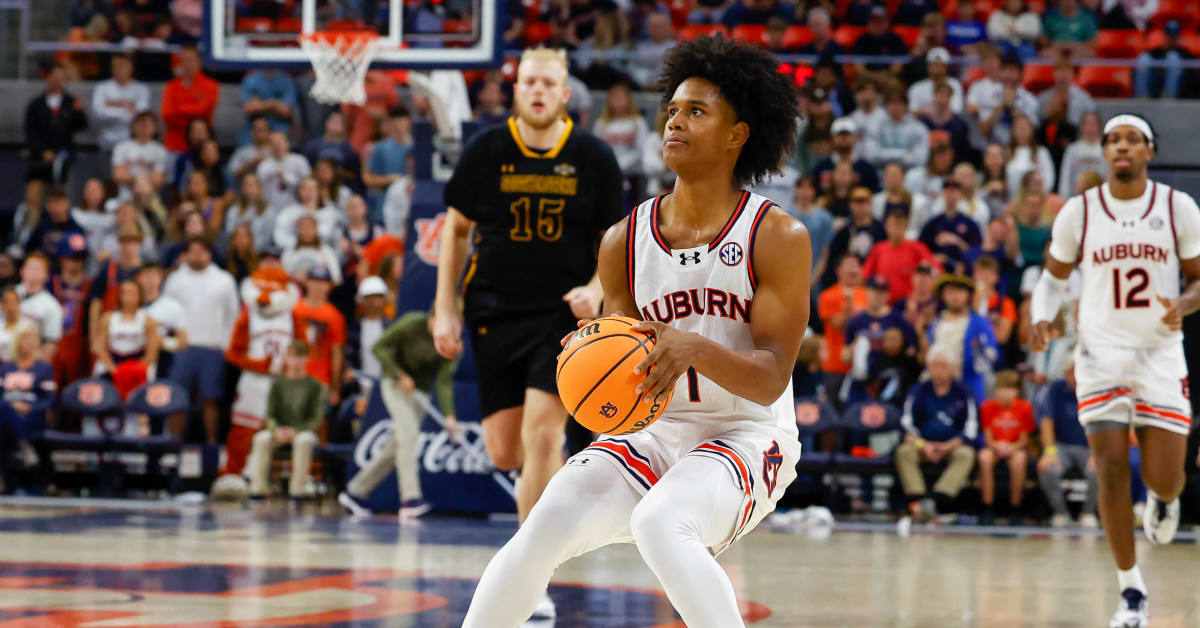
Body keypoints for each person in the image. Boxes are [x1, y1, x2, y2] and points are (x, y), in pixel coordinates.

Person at [462, 35, 808, 628]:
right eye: (671, 109)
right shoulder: (623, 240)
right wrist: (595, 358)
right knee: (544, 523)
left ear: (737, 135)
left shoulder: (777, 236)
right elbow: (624, 368)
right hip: (655, 430)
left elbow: (771, 380)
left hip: (747, 433)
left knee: (661, 522)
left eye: (696, 111)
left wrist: (692, 348)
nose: (674, 121)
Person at [434, 48, 625, 608]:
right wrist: (445, 307)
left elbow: (614, 242)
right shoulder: (486, 151)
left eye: (548, 83)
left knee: (543, 436)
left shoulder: (593, 157)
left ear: (565, 94)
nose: (538, 91)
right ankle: (559, 504)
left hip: (562, 317)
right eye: (529, 82)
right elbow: (456, 231)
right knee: (504, 451)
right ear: (515, 91)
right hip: (494, 311)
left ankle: (530, 577)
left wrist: (596, 288)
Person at [1030, 113, 1200, 627]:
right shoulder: (1079, 212)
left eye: (1132, 139)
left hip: (1159, 352)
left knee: (1164, 477)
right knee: (1108, 466)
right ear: (1104, 152)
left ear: (1150, 150)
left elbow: (1199, 278)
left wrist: (1186, 303)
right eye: (1113, 140)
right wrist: (1042, 315)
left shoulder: (1177, 207)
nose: (1121, 147)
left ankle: (1164, 500)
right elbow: (1052, 279)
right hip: (1100, 352)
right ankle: (1131, 591)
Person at [340, 307, 459, 519]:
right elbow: (379, 348)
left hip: (420, 393)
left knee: (397, 444)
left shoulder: (452, 341)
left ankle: (355, 492)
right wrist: (398, 373)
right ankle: (410, 499)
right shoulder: (411, 323)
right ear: (434, 318)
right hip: (394, 384)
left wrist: (449, 415)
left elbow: (444, 382)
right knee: (409, 435)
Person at [163, 238, 240, 444]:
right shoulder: (175, 280)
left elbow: (233, 315)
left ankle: (211, 446)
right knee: (177, 400)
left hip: (213, 348)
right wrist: (170, 341)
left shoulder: (224, 280)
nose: (197, 255)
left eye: (201, 251)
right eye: (192, 251)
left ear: (209, 254)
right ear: (185, 254)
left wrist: (225, 346)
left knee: (211, 400)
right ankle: (173, 445)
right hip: (182, 348)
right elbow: (165, 312)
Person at [896, 346, 978, 522]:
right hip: (921, 444)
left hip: (952, 445)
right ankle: (917, 500)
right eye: (935, 365)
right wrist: (923, 445)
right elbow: (906, 425)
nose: (939, 370)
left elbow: (971, 429)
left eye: (943, 365)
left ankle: (939, 500)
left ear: (953, 368)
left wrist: (947, 446)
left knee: (966, 454)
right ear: (928, 367)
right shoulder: (918, 391)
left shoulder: (964, 393)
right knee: (904, 452)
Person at [248, 340, 325, 499]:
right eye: (293, 357)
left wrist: (297, 430)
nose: (296, 361)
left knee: (304, 440)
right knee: (261, 439)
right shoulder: (278, 384)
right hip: (280, 431)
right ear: (287, 358)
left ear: (307, 359)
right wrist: (276, 429)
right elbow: (270, 414)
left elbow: (316, 417)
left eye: (300, 357)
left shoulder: (315, 385)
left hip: (303, 431)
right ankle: (258, 488)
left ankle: (298, 489)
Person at [1036, 355, 1099, 528]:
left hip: (1090, 446)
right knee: (1047, 468)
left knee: (1100, 469)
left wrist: (1097, 453)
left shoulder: (1095, 389)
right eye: (1072, 372)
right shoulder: (1055, 388)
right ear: (1065, 373)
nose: (1076, 377)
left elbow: (1100, 422)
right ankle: (1061, 512)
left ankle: (1088, 513)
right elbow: (1046, 421)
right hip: (1062, 446)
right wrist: (1049, 451)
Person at [926, 273, 998, 403]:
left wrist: (980, 354)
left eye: (960, 291)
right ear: (943, 295)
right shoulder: (936, 323)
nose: (955, 296)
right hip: (939, 388)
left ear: (968, 295)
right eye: (950, 292)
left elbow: (992, 353)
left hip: (969, 385)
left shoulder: (979, 322)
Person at [977, 369, 1034, 524]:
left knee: (1019, 460)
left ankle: (1015, 507)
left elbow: (1024, 439)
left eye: (1009, 389)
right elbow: (988, 437)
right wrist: (997, 446)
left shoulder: (1025, 407)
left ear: (1017, 391)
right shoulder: (987, 407)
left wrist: (1011, 448)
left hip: (1016, 447)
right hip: (995, 447)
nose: (1004, 393)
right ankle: (987, 506)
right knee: (984, 457)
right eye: (1001, 388)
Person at [0, 327, 56, 479]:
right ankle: (24, 447)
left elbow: (49, 400)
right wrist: (11, 406)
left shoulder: (44, 368)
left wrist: (29, 407)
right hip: (6, 411)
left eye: (34, 338)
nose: (30, 342)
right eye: (26, 337)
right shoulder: (5, 368)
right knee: (5, 409)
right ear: (17, 341)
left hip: (31, 414)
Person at [24, 64, 88, 193]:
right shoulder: (36, 104)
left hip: (65, 155)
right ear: (48, 78)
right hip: (40, 157)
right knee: (34, 189)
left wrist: (78, 111)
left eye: (61, 77)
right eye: (55, 77)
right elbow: (30, 131)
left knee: (62, 190)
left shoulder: (70, 102)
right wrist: (42, 151)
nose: (58, 81)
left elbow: (81, 126)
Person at [863, 208, 941, 303]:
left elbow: (937, 271)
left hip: (909, 305)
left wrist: (922, 296)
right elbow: (864, 276)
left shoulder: (918, 248)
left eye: (900, 224)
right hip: (883, 305)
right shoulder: (878, 249)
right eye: (893, 224)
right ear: (887, 226)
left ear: (906, 226)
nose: (896, 229)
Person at [818, 255, 869, 400]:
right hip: (835, 364)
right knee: (832, 406)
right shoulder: (828, 295)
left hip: (862, 364)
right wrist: (848, 303)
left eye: (856, 265)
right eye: (849, 265)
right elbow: (841, 327)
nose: (853, 269)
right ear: (838, 270)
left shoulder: (867, 294)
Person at [293, 265, 345, 401]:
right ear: (307, 282)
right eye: (314, 280)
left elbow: (336, 353)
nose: (318, 285)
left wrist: (335, 388)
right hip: (294, 376)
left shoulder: (334, 316)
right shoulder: (294, 310)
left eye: (323, 281)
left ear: (329, 285)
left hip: (320, 381)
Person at [92, 279, 159, 378]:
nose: (128, 296)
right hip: (113, 361)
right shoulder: (108, 318)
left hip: (138, 362)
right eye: (125, 292)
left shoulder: (148, 320)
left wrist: (135, 369)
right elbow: (100, 347)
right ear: (119, 295)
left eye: (132, 293)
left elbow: (152, 352)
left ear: (139, 295)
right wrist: (114, 369)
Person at [160, 45, 219, 155]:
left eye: (191, 60)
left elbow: (203, 111)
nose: (187, 64)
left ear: (199, 62)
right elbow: (167, 115)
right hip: (175, 144)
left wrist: (180, 108)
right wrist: (193, 108)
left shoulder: (210, 85)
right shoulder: (171, 86)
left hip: (201, 145)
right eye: (183, 60)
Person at [91, 53, 150, 159]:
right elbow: (98, 114)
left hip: (132, 143)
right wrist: (126, 112)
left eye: (122, 65)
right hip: (107, 141)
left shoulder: (141, 89)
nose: (118, 69)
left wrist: (110, 110)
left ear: (131, 67)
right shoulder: (102, 88)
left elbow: (140, 116)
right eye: (115, 66)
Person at [920, 179, 982, 270]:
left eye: (954, 190)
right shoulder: (932, 223)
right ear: (943, 193)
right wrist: (933, 258)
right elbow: (920, 249)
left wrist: (957, 241)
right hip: (936, 269)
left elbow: (976, 253)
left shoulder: (970, 224)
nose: (950, 193)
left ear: (960, 194)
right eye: (947, 190)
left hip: (961, 270)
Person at [864, 89, 929, 172]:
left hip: (908, 172)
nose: (894, 107)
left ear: (905, 106)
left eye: (898, 103)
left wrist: (885, 155)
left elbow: (920, 159)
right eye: (891, 103)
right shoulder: (875, 125)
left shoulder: (918, 127)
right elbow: (871, 155)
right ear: (886, 106)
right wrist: (903, 154)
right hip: (881, 172)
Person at [811, 118, 880, 196]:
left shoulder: (867, 169)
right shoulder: (821, 167)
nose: (844, 138)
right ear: (832, 137)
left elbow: (875, 195)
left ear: (855, 137)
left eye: (847, 134)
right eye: (840, 134)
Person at [16, 253, 64, 363]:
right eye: (29, 267)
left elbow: (51, 343)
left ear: (46, 276)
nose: (32, 271)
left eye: (37, 269)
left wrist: (35, 368)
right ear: (21, 270)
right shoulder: (6, 294)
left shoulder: (52, 305)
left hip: (30, 360)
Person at [111, 111, 167, 200]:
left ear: (155, 128)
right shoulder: (122, 147)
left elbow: (159, 180)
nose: (145, 126)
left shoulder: (160, 150)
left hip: (150, 199)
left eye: (149, 123)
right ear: (133, 126)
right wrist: (138, 179)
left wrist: (139, 180)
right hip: (125, 198)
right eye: (141, 123)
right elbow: (117, 175)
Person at [1134, 20, 1197, 99]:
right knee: (1144, 58)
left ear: (1179, 37)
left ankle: (1168, 97)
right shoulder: (1156, 53)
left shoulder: (1185, 54)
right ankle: (1141, 97)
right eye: (1169, 35)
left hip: (1178, 93)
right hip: (1154, 89)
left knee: (1173, 58)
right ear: (1164, 35)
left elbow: (1193, 76)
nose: (1171, 39)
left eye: (1174, 36)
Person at [791, 177, 833, 281]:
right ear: (796, 190)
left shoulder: (824, 218)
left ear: (814, 191)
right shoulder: (785, 215)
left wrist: (812, 280)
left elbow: (825, 253)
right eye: (801, 187)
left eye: (808, 188)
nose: (804, 192)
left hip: (815, 276)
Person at [257, 132, 312, 211]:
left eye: (279, 142)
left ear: (287, 143)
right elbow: (259, 189)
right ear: (269, 146)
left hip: (296, 206)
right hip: (271, 208)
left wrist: (286, 177)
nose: (277, 146)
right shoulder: (264, 165)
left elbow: (308, 183)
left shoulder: (299, 160)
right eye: (273, 143)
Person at [237, 69, 297, 142]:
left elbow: (286, 111)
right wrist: (274, 104)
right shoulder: (251, 79)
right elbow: (248, 108)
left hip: (279, 131)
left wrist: (260, 105)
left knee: (281, 142)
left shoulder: (285, 79)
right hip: (253, 133)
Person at [1059, 111, 1108, 199]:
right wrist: (1064, 197)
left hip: (1100, 196)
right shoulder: (1072, 149)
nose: (1091, 128)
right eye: (1088, 124)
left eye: (1094, 124)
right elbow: (1065, 176)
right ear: (1082, 126)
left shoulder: (1106, 149)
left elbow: (1109, 175)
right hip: (1076, 197)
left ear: (1099, 126)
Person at [1038, 57, 1095, 130]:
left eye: (1067, 72)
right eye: (1060, 72)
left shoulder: (1084, 98)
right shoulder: (1044, 97)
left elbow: (1092, 119)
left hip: (1077, 134)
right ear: (1054, 74)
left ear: (1073, 75)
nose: (1063, 76)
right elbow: (1039, 123)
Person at [851, 6, 909, 77]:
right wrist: (873, 77)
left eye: (881, 21)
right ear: (868, 23)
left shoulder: (896, 40)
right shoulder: (861, 40)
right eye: (874, 21)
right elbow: (859, 68)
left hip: (890, 77)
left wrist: (883, 76)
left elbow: (898, 68)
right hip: (866, 78)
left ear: (887, 23)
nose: (877, 24)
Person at [908, 48, 964, 117]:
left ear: (946, 67)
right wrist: (934, 112)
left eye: (940, 65)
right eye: (934, 65)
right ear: (928, 67)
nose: (937, 68)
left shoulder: (955, 84)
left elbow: (956, 110)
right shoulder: (917, 87)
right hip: (922, 122)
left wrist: (927, 112)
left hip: (948, 122)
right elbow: (912, 111)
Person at [229, 115, 272, 183]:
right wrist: (252, 164)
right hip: (248, 187)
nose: (259, 133)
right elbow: (235, 174)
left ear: (268, 132)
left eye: (262, 130)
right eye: (256, 130)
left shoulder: (276, 150)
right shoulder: (242, 151)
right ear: (252, 132)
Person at [0, 289, 35, 362]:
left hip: (21, 363)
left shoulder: (28, 325)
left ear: (19, 304)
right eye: (6, 303)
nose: (10, 306)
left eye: (13, 302)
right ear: (2, 305)